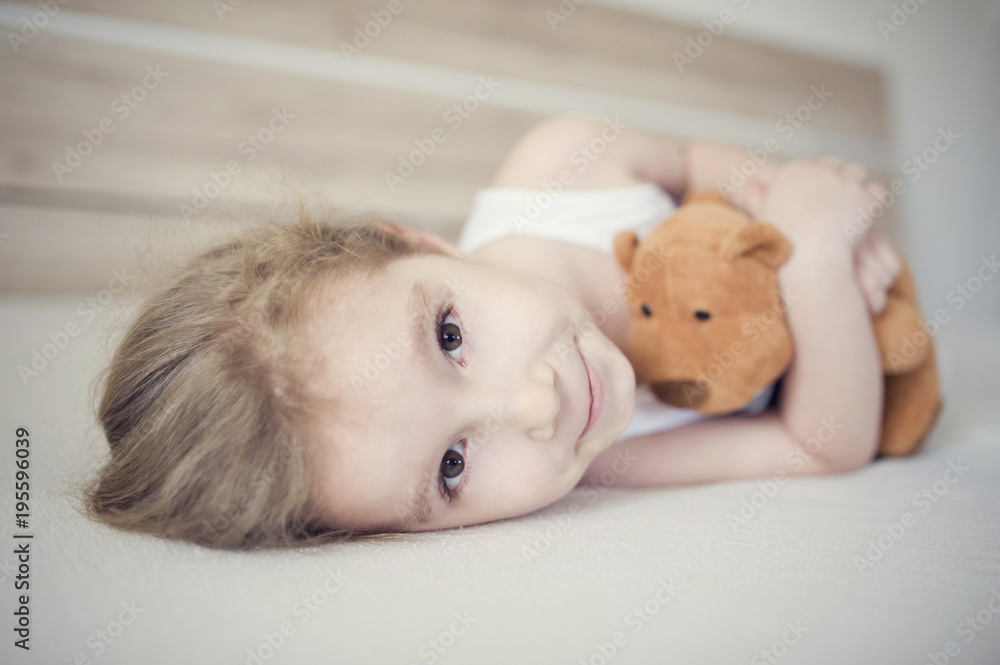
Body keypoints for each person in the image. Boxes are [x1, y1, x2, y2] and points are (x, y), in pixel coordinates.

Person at [85, 116, 902, 549]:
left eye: (447, 336)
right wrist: (816, 264)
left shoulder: (566, 168)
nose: (538, 404)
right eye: (450, 466)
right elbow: (822, 442)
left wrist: (796, 198)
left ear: (417, 242)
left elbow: (698, 163)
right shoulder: (606, 455)